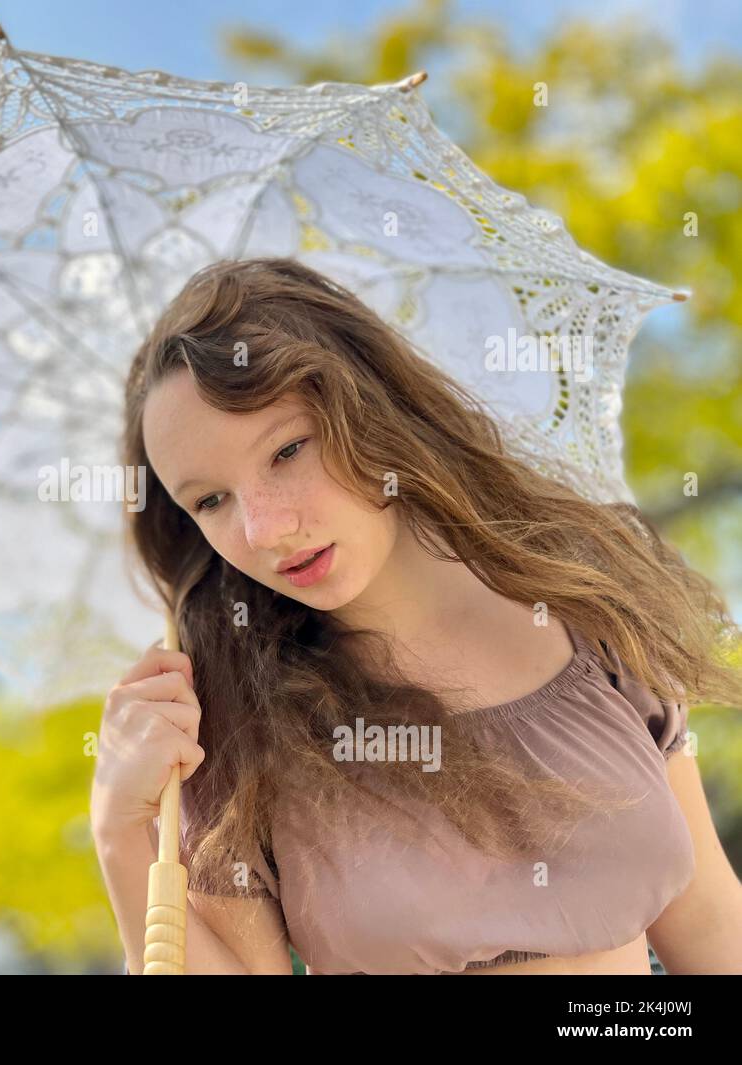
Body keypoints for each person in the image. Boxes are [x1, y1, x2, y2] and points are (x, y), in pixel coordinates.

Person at [91, 257, 742, 975]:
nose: (266, 528)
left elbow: (710, 923)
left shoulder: (580, 592)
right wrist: (122, 830)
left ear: (367, 404)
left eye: (287, 450)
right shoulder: (228, 718)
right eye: (211, 500)